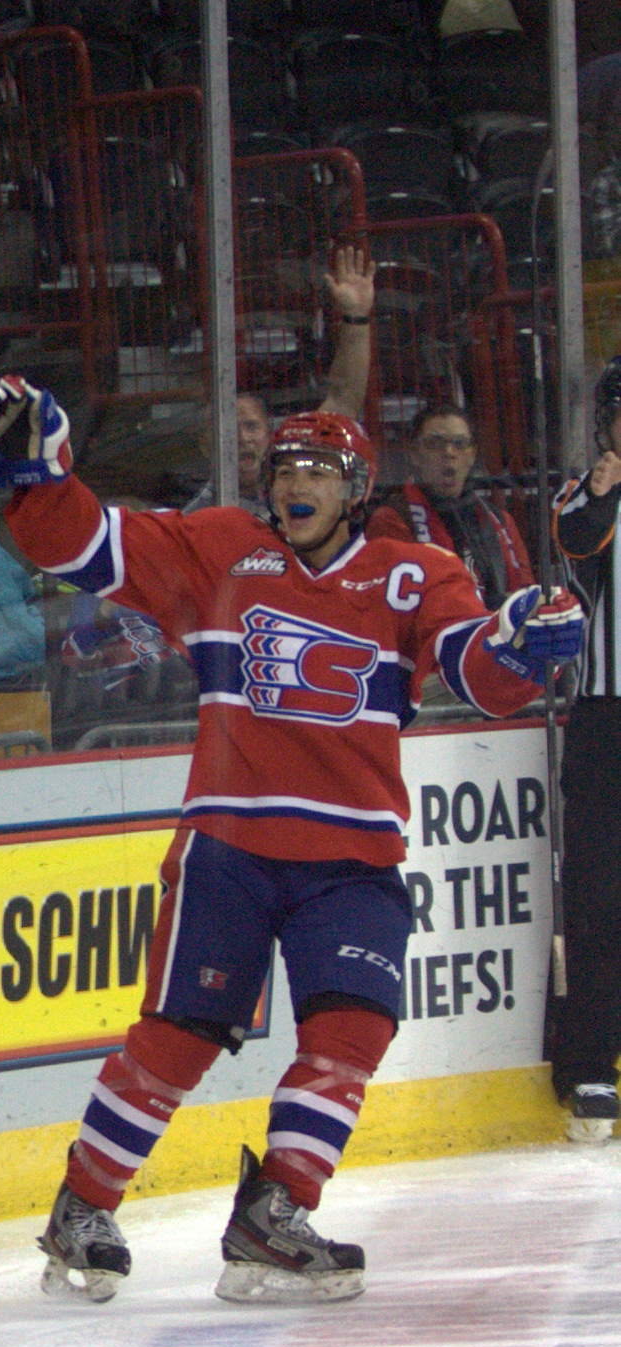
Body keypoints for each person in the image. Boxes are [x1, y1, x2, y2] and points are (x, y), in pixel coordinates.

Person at [0, 379, 583, 1305]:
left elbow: (474, 669)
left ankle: (276, 1209)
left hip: (354, 855)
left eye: (319, 471)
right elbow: (89, 547)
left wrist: (519, 644)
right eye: (287, 467)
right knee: (176, 1038)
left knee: (355, 1025)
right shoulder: (221, 549)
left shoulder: (414, 573)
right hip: (231, 844)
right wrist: (40, 479)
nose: (297, 483)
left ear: (357, 489)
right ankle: (83, 1204)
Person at [546, 356, 621, 1141]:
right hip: (607, 722)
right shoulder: (583, 494)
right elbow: (575, 543)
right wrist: (604, 493)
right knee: (599, 897)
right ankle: (592, 1062)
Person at [185, 244, 376, 515]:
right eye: (229, 430)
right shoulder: (197, 519)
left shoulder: (294, 490)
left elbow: (344, 399)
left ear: (270, 433)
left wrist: (356, 318)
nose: (243, 439)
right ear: (206, 445)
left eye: (252, 426)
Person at [367, 405, 535, 610]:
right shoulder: (393, 518)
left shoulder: (499, 520)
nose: (449, 453)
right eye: (435, 444)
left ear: (473, 455)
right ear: (414, 454)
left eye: (460, 444)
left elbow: (527, 595)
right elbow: (394, 603)